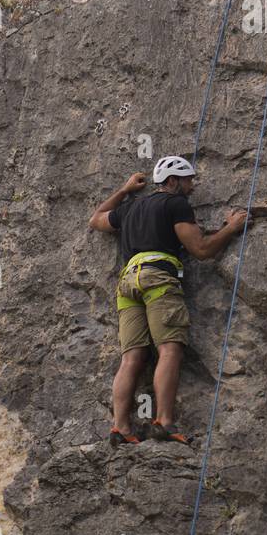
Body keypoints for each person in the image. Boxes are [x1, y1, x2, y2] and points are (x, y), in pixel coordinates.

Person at [88, 156, 249, 445]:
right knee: (169, 349)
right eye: (188, 181)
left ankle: (121, 427)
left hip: (127, 283)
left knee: (131, 357)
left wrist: (125, 190)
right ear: (173, 181)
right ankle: (163, 421)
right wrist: (231, 228)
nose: (192, 188)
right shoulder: (176, 204)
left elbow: (96, 219)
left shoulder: (129, 208)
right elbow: (201, 249)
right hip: (157, 280)